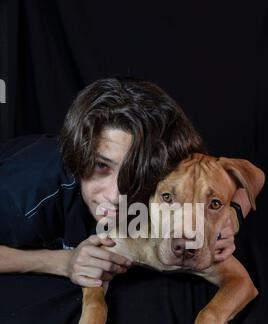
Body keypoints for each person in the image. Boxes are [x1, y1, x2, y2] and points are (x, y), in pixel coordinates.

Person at [0, 77, 249, 282]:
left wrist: (231, 218)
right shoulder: (25, 196)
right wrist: (61, 263)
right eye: (101, 166)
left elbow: (243, 183)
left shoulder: (171, 165)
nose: (118, 196)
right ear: (80, 156)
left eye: (138, 169)